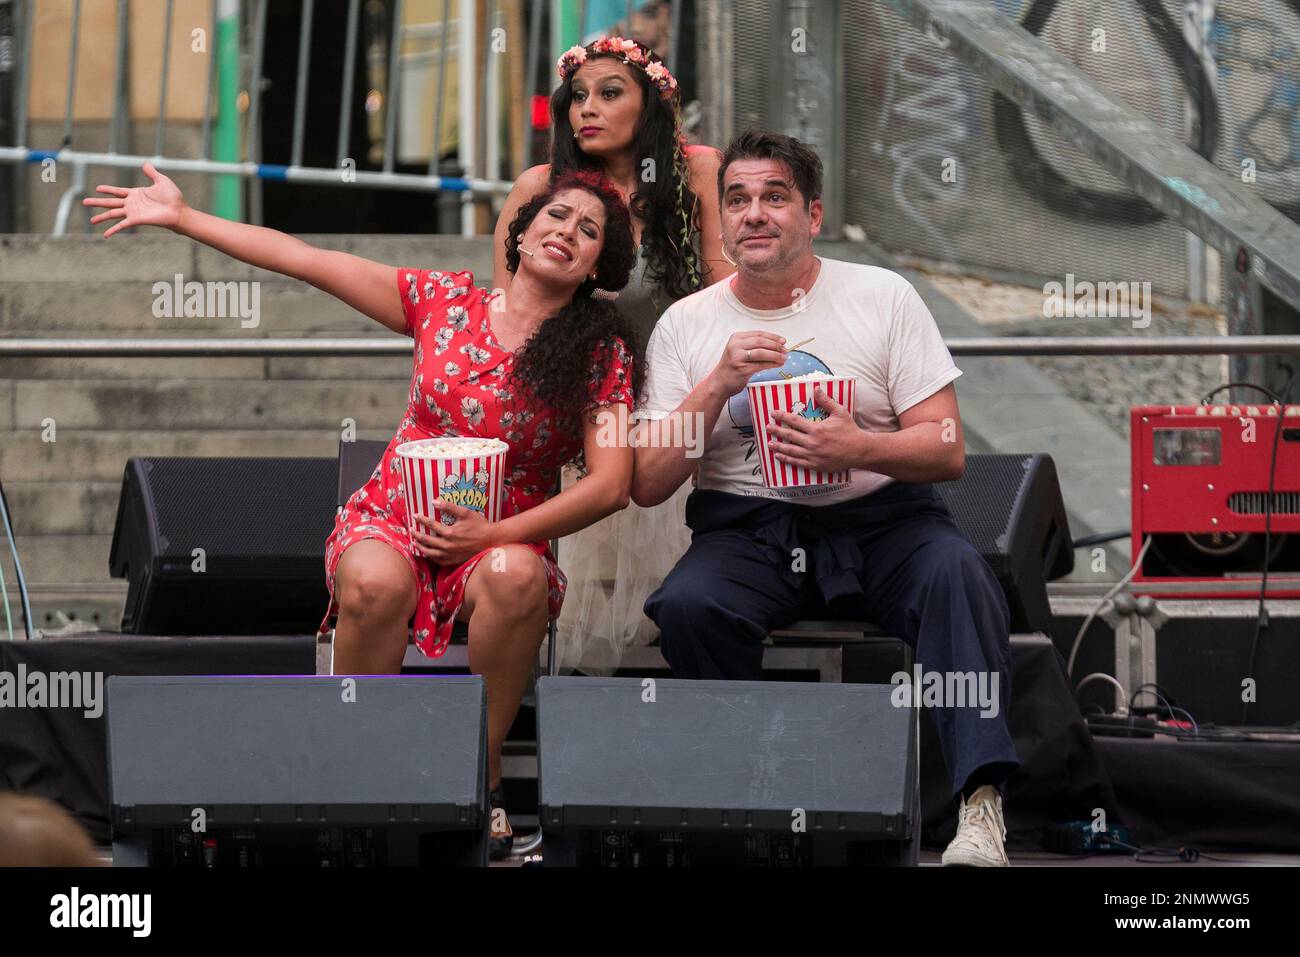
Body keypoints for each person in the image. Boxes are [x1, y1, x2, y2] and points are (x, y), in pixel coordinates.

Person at [84, 165, 638, 860]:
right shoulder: (441, 300)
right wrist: (185, 217)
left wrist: (494, 532)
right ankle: (365, 765)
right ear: (521, 231)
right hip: (395, 516)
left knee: (514, 578)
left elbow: (613, 483)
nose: (568, 233)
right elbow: (306, 259)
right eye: (556, 216)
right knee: (375, 585)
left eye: (588, 231)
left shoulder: (600, 353)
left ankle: (480, 773)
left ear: (596, 265)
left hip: (505, 532)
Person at [630, 130, 1021, 867]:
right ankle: (755, 801)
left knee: (960, 575)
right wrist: (714, 384)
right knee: (688, 605)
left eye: (774, 197)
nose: (754, 214)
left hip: (884, 523)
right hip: (749, 530)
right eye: (737, 200)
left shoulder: (881, 295)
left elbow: (947, 447)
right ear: (720, 221)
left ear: (812, 214)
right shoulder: (689, 324)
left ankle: (979, 807)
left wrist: (860, 448)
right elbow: (649, 480)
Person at [493, 35, 733, 672]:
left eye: (608, 93)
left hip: (681, 422)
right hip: (581, 428)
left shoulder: (699, 171)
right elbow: (509, 326)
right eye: (576, 97)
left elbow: (725, 295)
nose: (584, 110)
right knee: (584, 635)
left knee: (684, 614)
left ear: (650, 101)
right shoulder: (540, 189)